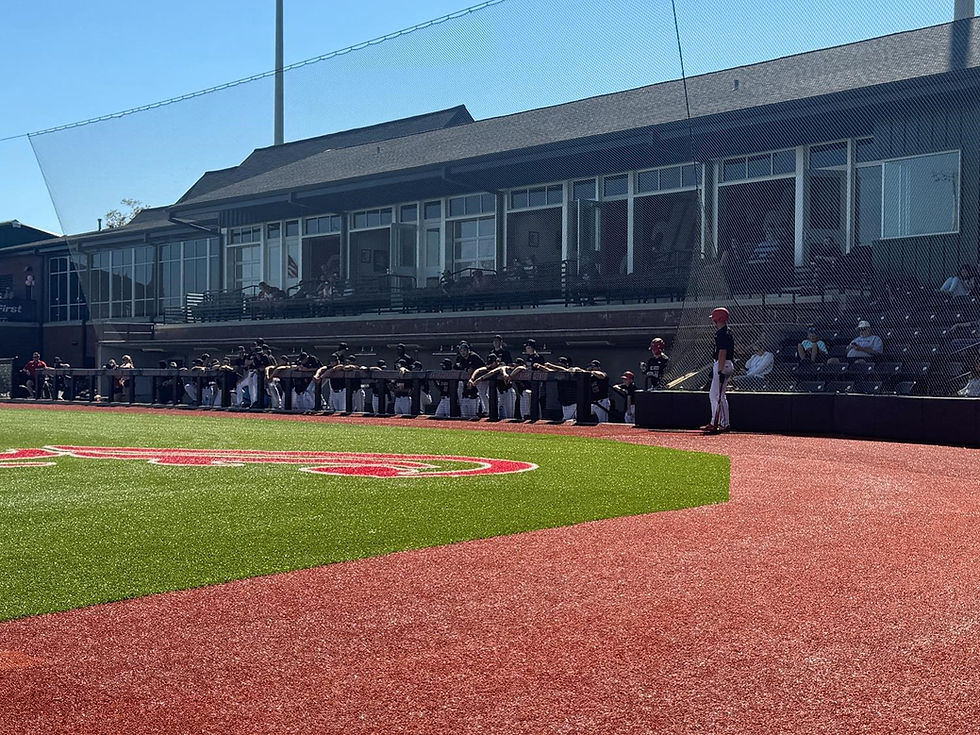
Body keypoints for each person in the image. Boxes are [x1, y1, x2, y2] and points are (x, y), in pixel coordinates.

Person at [703, 306, 734, 434]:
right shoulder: (725, 331)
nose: (713, 321)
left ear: (718, 319)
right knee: (720, 395)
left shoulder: (722, 333)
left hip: (723, 364)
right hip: (726, 364)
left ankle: (717, 423)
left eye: (714, 319)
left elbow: (722, 352)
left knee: (715, 395)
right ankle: (723, 423)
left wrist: (720, 370)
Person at [453, 341, 485, 418]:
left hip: (481, 379)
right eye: (461, 351)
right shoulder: (460, 358)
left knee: (475, 414)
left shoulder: (474, 357)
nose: (463, 352)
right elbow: (456, 368)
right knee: (464, 415)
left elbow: (483, 367)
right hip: (467, 383)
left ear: (468, 350)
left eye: (464, 350)